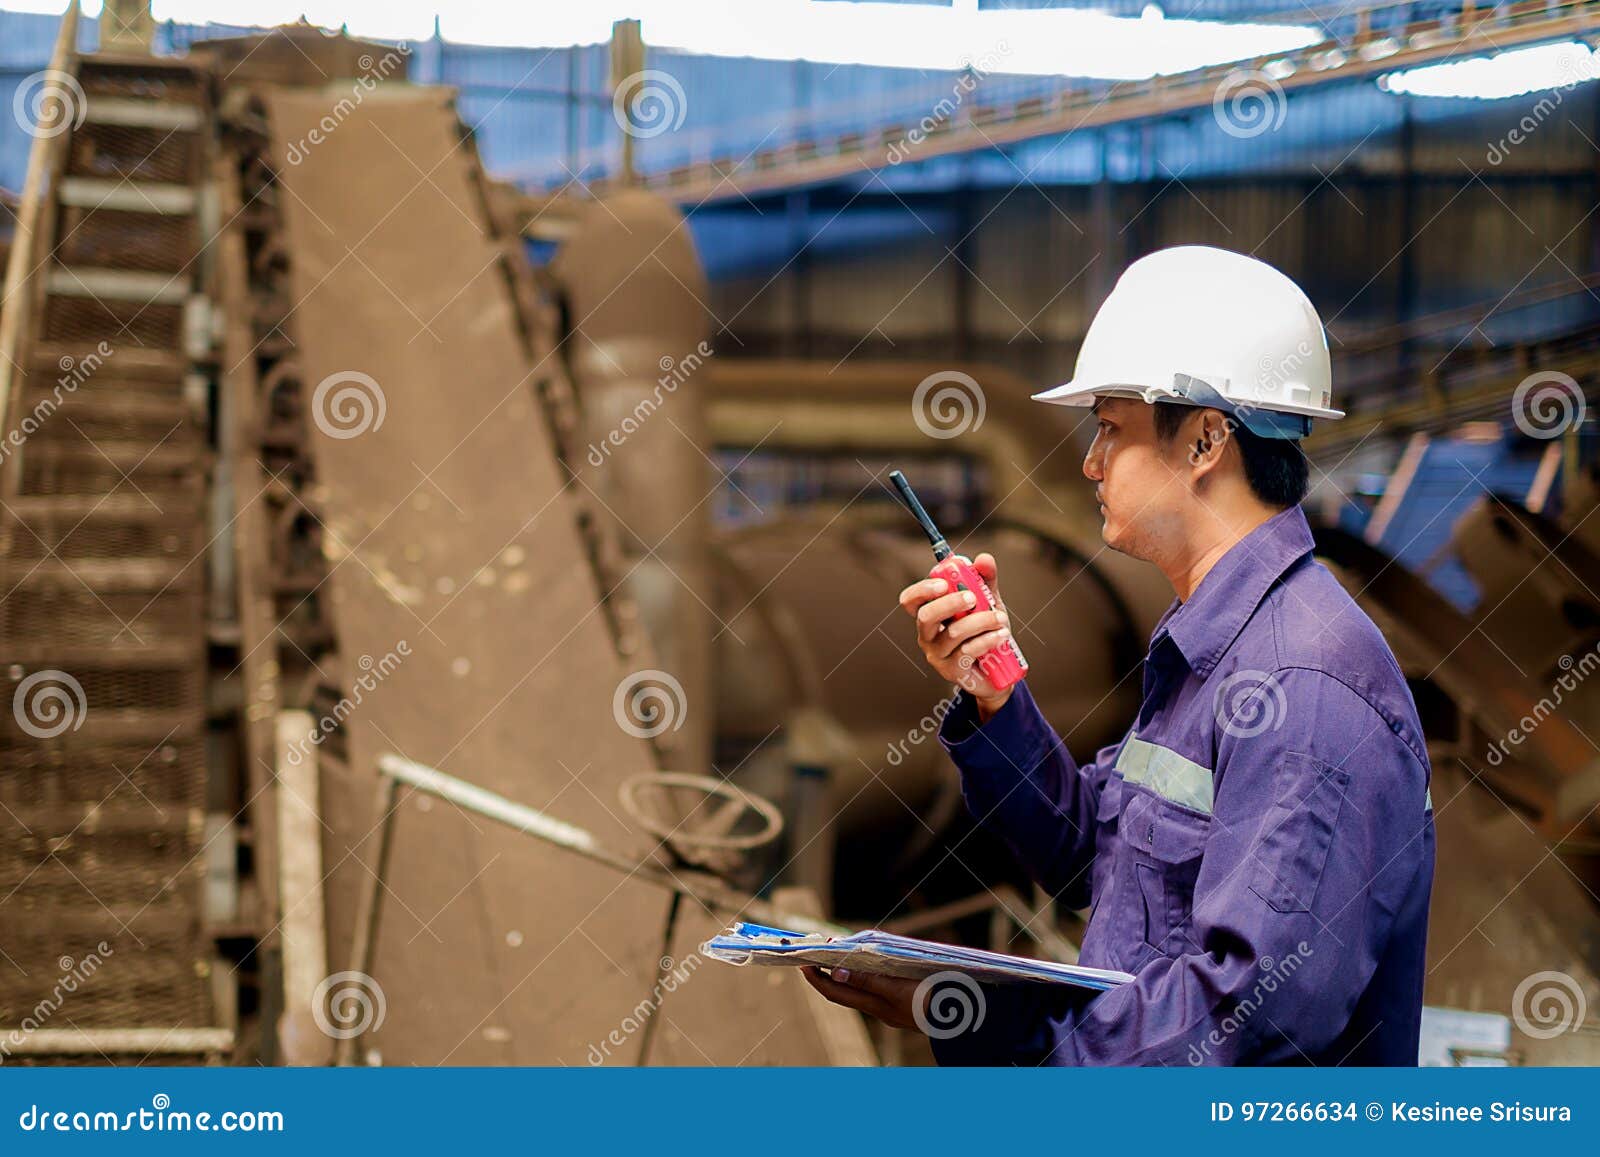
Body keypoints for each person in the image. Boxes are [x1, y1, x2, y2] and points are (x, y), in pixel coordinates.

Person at [804, 245, 1436, 1065]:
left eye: (1109, 428)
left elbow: (1240, 1027)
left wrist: (977, 1017)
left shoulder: (1303, 683)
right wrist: (994, 695)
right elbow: (1098, 860)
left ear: (1207, 440)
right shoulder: (1216, 647)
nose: (1089, 461)